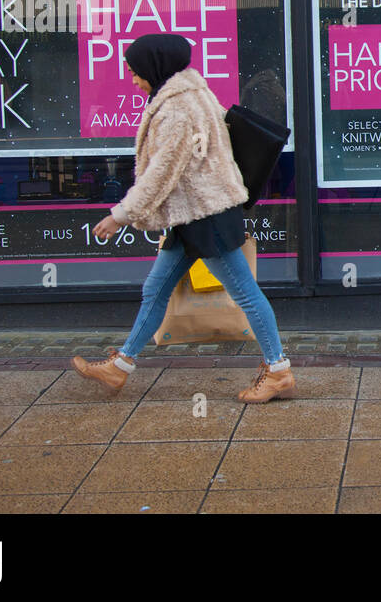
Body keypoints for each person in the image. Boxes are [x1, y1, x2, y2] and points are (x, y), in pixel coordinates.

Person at [71, 33, 295, 402]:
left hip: (207, 216)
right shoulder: (192, 94)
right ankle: (120, 367)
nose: (133, 79)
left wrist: (121, 215)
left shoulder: (179, 108)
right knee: (155, 289)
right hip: (193, 215)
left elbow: (162, 171)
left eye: (135, 72)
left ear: (154, 67)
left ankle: (278, 372)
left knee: (246, 294)